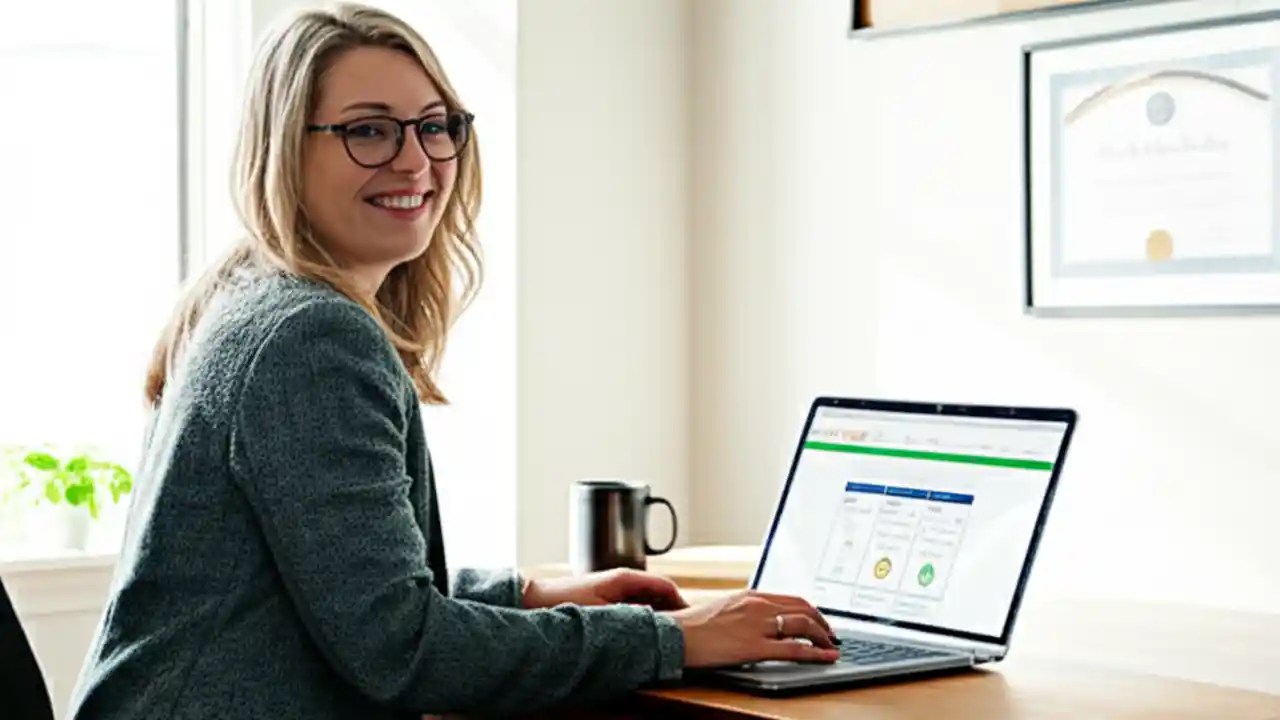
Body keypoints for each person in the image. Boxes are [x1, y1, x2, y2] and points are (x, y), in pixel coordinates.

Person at [67, 3, 838, 718]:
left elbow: (341, 590)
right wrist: (676, 638)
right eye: (369, 131)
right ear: (283, 148)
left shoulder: (252, 293)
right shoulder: (308, 337)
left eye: (435, 127)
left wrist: (529, 593)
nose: (416, 161)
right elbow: (403, 649)